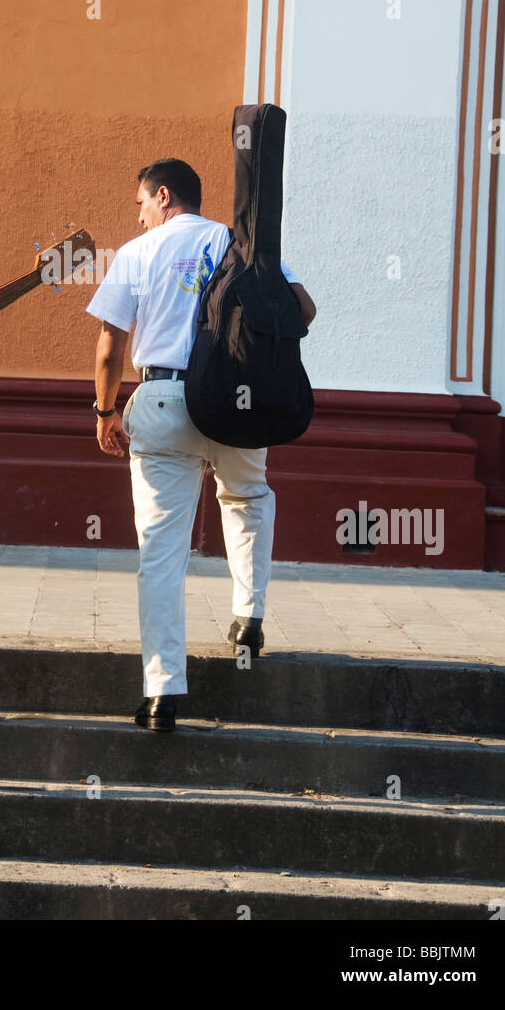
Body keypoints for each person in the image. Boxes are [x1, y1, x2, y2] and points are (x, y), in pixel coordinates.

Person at [86, 158, 316, 733]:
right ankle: (249, 615)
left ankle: (162, 693)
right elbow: (304, 309)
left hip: (163, 401)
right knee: (246, 498)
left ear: (163, 197)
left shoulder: (137, 254)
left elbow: (111, 345)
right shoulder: (240, 243)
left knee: (161, 554)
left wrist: (106, 410)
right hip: (238, 401)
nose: (138, 215)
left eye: (140, 203)